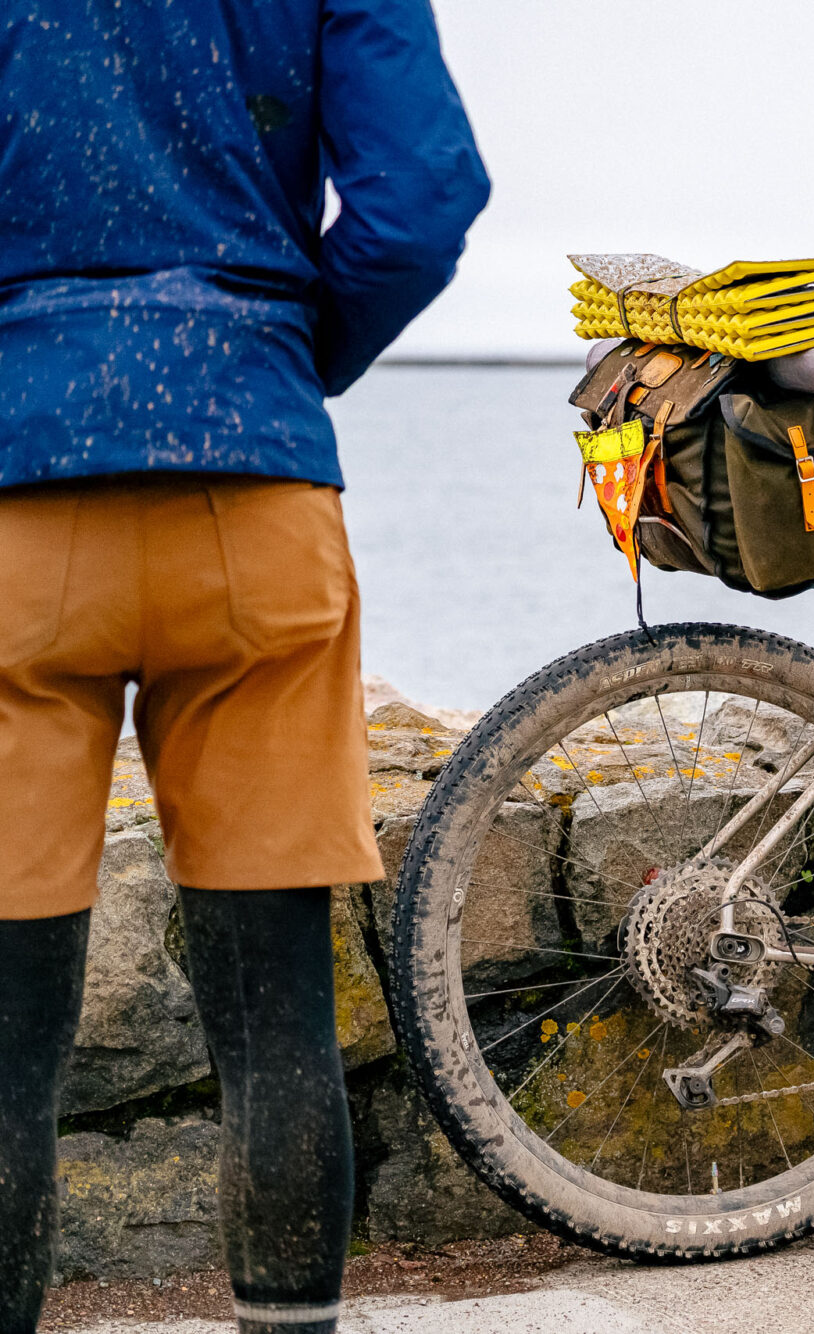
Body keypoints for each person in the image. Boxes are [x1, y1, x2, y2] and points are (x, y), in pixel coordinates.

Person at [0, 2, 488, 1330]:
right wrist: (273, 356)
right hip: (255, 481)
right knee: (276, 1014)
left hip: (18, 488)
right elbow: (425, 197)